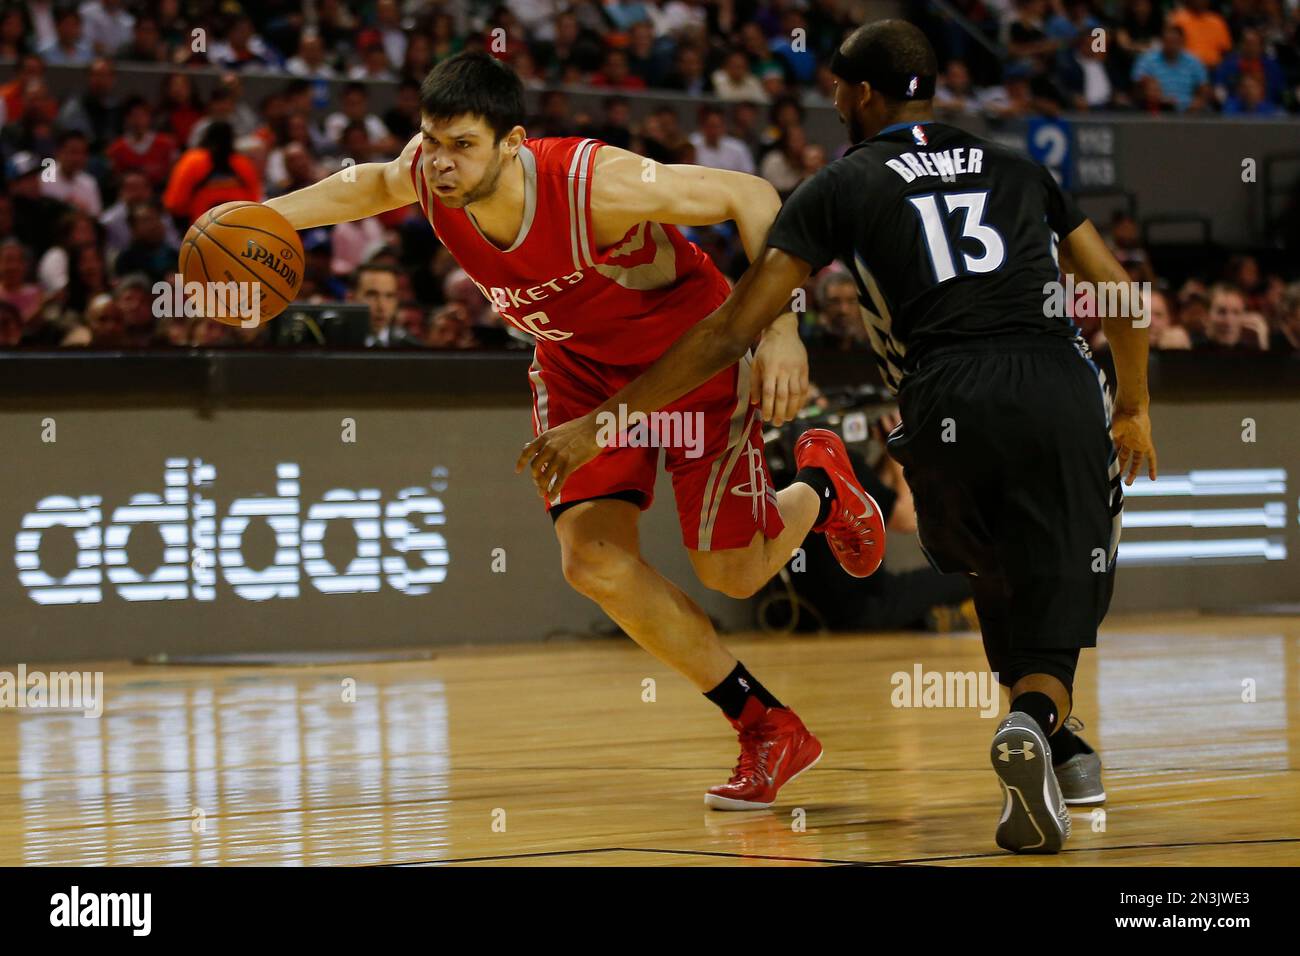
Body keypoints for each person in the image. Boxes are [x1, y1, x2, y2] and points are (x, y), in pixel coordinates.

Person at [523, 20, 1159, 854]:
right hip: (1054, 384)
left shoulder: (841, 182)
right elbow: (1119, 297)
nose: (831, 104)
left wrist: (605, 421)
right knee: (1068, 573)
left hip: (940, 407)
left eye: (834, 91)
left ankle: (1054, 738)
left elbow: (723, 334)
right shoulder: (1018, 164)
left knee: (996, 570)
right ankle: (1045, 722)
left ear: (860, 93)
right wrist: (1134, 410)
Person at [266, 52, 889, 811]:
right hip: (578, 368)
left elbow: (749, 192)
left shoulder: (594, 184)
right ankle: (765, 725)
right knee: (592, 561)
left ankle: (821, 487)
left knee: (732, 572)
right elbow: (366, 182)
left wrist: (784, 330)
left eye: (461, 144)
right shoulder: (431, 178)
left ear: (514, 142)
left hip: (690, 358)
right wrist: (260, 217)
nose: (440, 161)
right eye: (431, 140)